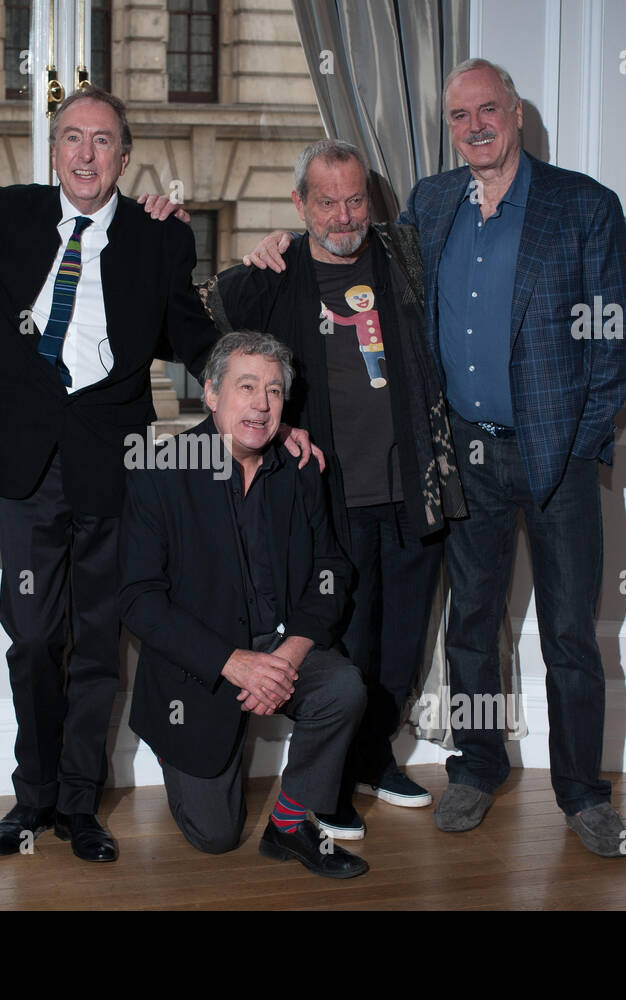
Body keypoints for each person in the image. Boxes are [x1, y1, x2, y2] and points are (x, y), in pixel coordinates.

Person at [0, 86, 317, 863]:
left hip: (114, 472)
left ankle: (80, 806)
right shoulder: (0, 216)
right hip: (24, 469)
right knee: (31, 641)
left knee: (95, 644)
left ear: (125, 157)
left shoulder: (159, 240)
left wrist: (269, 407)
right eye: (72, 139)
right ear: (53, 151)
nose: (86, 155)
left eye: (102, 142)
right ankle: (32, 800)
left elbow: (196, 340)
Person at [246, 59, 626, 857]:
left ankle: (582, 794)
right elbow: (343, 243)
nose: (475, 127)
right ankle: (476, 767)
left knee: (568, 633)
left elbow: (612, 339)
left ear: (517, 114)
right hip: (464, 455)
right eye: (459, 117)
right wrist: (281, 244)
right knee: (470, 626)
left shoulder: (583, 206)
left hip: (554, 459)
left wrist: (583, 445)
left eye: (487, 110)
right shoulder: (430, 203)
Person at [194, 139, 465, 841]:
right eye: (327, 201)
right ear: (299, 205)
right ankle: (333, 784)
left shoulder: (404, 259)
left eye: (354, 199)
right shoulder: (271, 279)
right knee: (349, 646)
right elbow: (206, 340)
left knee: (402, 646)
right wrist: (265, 426)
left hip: (413, 492)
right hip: (330, 502)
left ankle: (377, 759)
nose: (344, 215)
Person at [119, 331, 369, 878]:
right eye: (246, 387)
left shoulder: (300, 468)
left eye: (274, 391)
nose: (261, 403)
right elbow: (139, 601)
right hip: (201, 665)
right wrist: (234, 664)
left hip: (279, 643)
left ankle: (289, 823)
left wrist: (291, 655)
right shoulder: (161, 472)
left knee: (343, 688)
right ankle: (185, 755)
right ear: (211, 394)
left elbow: (331, 570)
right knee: (216, 838)